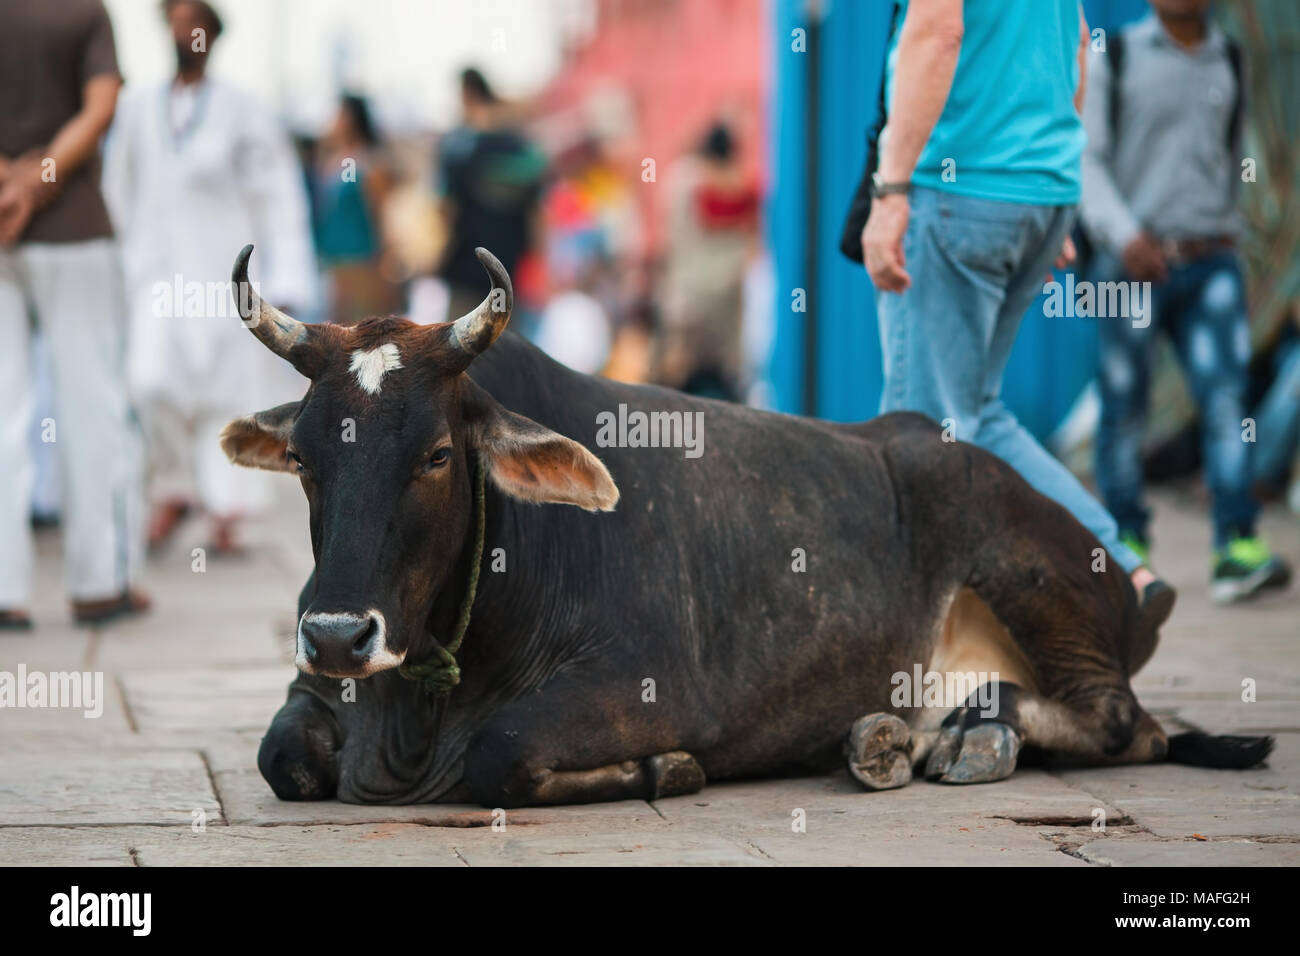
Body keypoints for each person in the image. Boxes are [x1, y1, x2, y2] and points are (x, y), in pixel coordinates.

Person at [859, 0, 1166, 606]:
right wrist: (1050, 184)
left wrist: (891, 191)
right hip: (1041, 194)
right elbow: (1076, 42)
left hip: (961, 190)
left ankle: (928, 654)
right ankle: (1122, 574)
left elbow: (938, 30)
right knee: (976, 415)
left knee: (921, 442)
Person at [1080, 0, 1290, 603]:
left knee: (1227, 398)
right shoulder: (1114, 57)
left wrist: (1234, 234)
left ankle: (1235, 545)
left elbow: (1237, 161)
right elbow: (1087, 161)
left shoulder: (1230, 57)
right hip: (1131, 263)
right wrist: (1125, 237)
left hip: (1211, 263)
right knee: (1124, 410)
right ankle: (1124, 548)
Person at [103, 0, 316, 555]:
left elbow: (278, 198)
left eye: (194, 26)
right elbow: (117, 193)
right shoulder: (137, 108)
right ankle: (174, 486)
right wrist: (115, 267)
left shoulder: (246, 110)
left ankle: (227, 512)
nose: (184, 35)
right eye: (175, 24)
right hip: (157, 277)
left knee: (230, 395)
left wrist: (288, 276)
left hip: (226, 278)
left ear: (212, 36)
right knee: (149, 382)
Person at [0, 0, 150, 629]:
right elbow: (100, 107)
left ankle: (4, 591)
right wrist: (40, 181)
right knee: (91, 408)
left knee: (2, 413)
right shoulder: (85, 12)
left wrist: (7, 187)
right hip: (75, 232)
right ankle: (98, 583)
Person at [656, 122, 760, 401]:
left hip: (682, 295)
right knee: (718, 384)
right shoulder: (703, 181)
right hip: (712, 301)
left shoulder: (676, 175)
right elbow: (742, 203)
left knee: (676, 381)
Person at [436, 67, 546, 321]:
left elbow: (446, 211)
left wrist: (437, 258)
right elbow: (538, 211)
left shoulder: (457, 147)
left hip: (466, 268)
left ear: (466, 95)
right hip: (510, 271)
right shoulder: (521, 147)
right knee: (507, 350)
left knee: (460, 352)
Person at [311, 93, 396, 325]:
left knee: (361, 328)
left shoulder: (369, 162)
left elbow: (381, 213)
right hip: (333, 259)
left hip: (362, 260)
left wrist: (386, 262)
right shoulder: (332, 161)